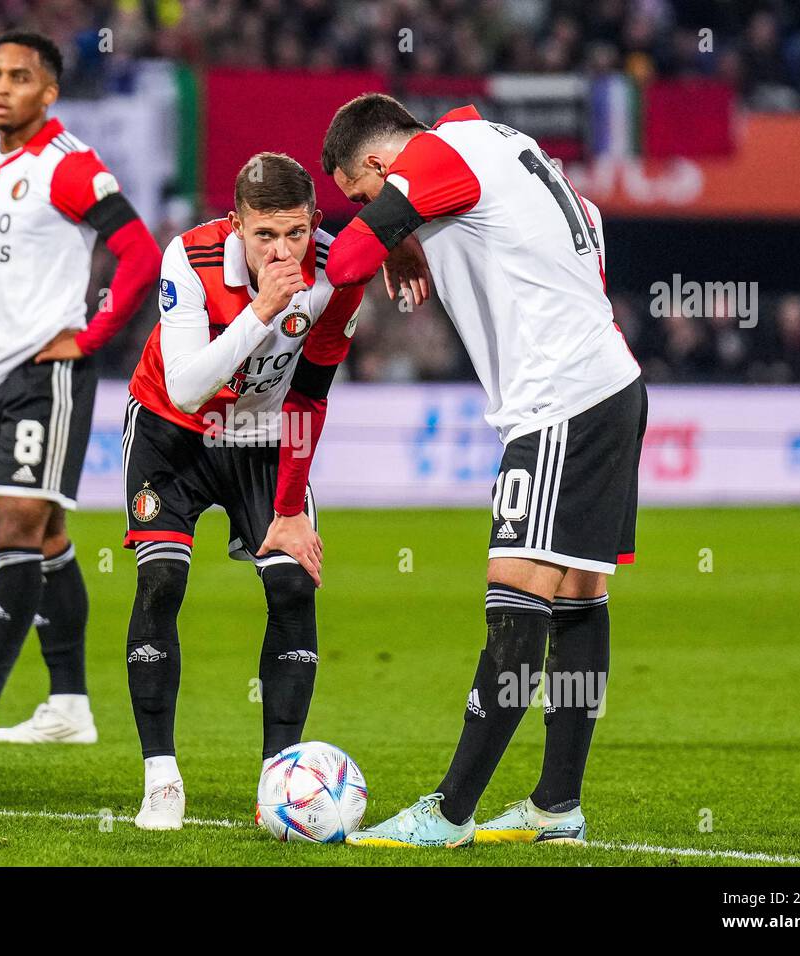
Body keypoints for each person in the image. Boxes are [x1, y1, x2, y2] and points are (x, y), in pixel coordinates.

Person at [321, 94, 646, 848]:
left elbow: (344, 260)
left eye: (362, 195)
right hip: (607, 382)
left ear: (379, 163)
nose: (368, 207)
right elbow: (588, 225)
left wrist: (392, 235)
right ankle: (556, 807)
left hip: (560, 398)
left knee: (517, 595)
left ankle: (451, 812)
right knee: (578, 592)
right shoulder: (504, 140)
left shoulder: (441, 155)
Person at [0, 31, 160, 746]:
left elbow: (139, 253)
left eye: (19, 77)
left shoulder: (70, 166)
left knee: (17, 529)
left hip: (47, 373)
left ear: (48, 92)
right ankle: (69, 709)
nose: (0, 88)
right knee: (48, 536)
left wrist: (87, 338)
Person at [121, 152, 364, 830]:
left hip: (263, 440)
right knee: (161, 583)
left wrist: (289, 508)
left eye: (295, 233)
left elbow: (313, 390)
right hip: (172, 438)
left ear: (315, 223)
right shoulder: (189, 259)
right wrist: (261, 310)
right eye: (265, 235)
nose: (282, 250)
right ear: (237, 226)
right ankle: (161, 778)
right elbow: (188, 387)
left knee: (292, 586)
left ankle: (279, 781)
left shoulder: (337, 270)